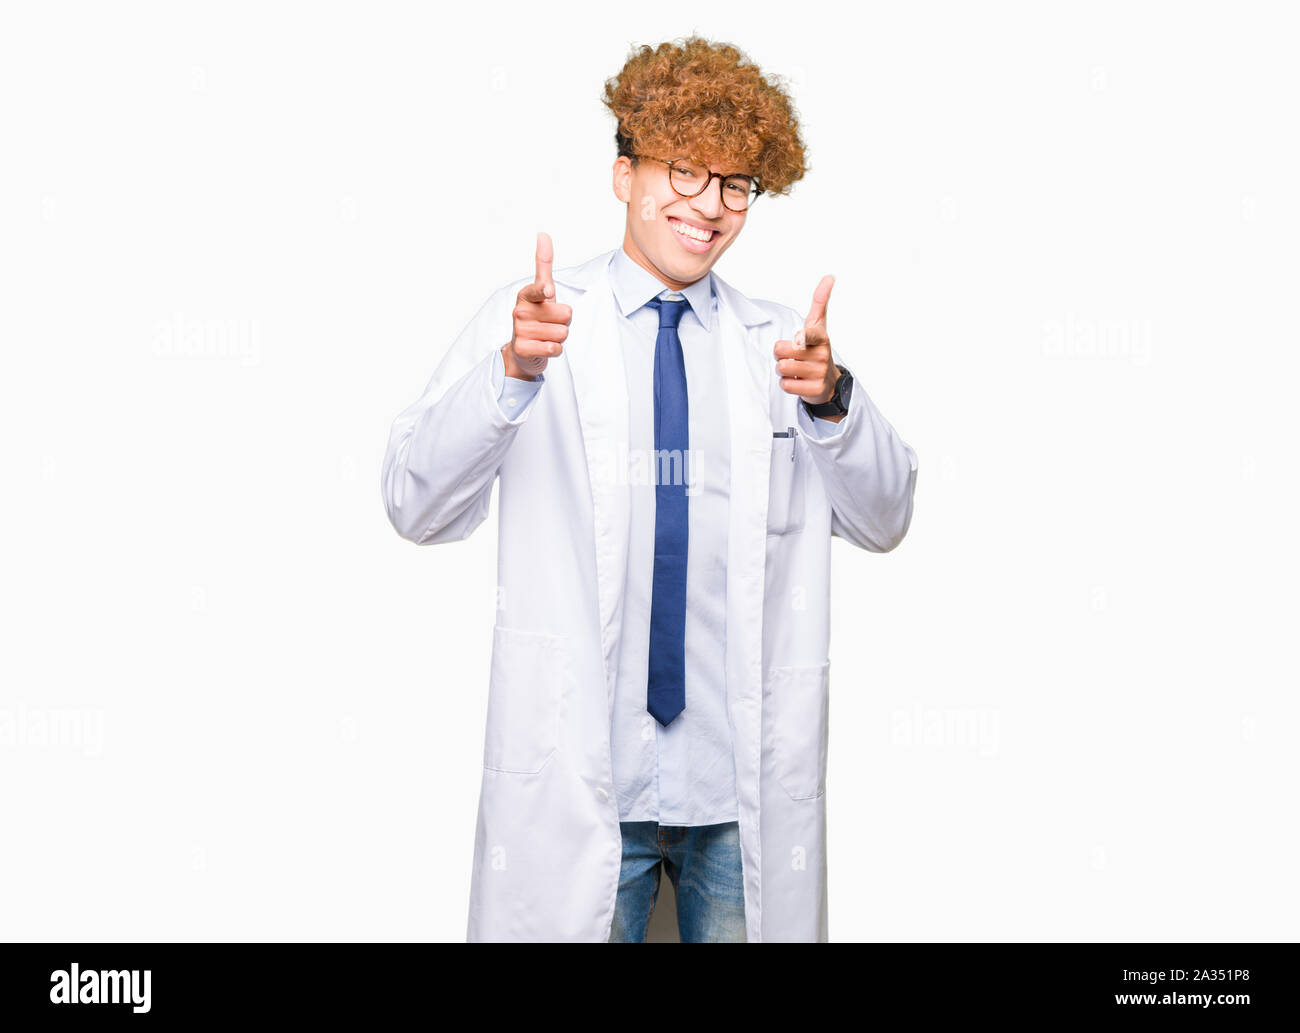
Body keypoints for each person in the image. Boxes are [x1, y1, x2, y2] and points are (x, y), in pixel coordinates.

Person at [381, 34, 918, 942]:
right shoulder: (542, 325)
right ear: (624, 174)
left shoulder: (782, 348)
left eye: (736, 183)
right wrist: (510, 377)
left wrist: (834, 404)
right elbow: (414, 503)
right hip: (585, 779)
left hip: (736, 795)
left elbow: (887, 517)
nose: (709, 206)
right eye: (685, 170)